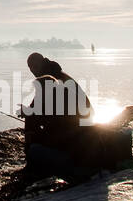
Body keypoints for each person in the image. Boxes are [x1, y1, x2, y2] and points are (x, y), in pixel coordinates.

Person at [20, 52, 95, 181]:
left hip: (78, 126)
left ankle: (33, 164)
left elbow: (45, 110)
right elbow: (41, 107)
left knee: (35, 142)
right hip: (83, 123)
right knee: (33, 119)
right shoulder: (54, 74)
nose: (33, 70)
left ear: (42, 62)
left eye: (35, 66)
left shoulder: (51, 80)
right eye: (30, 67)